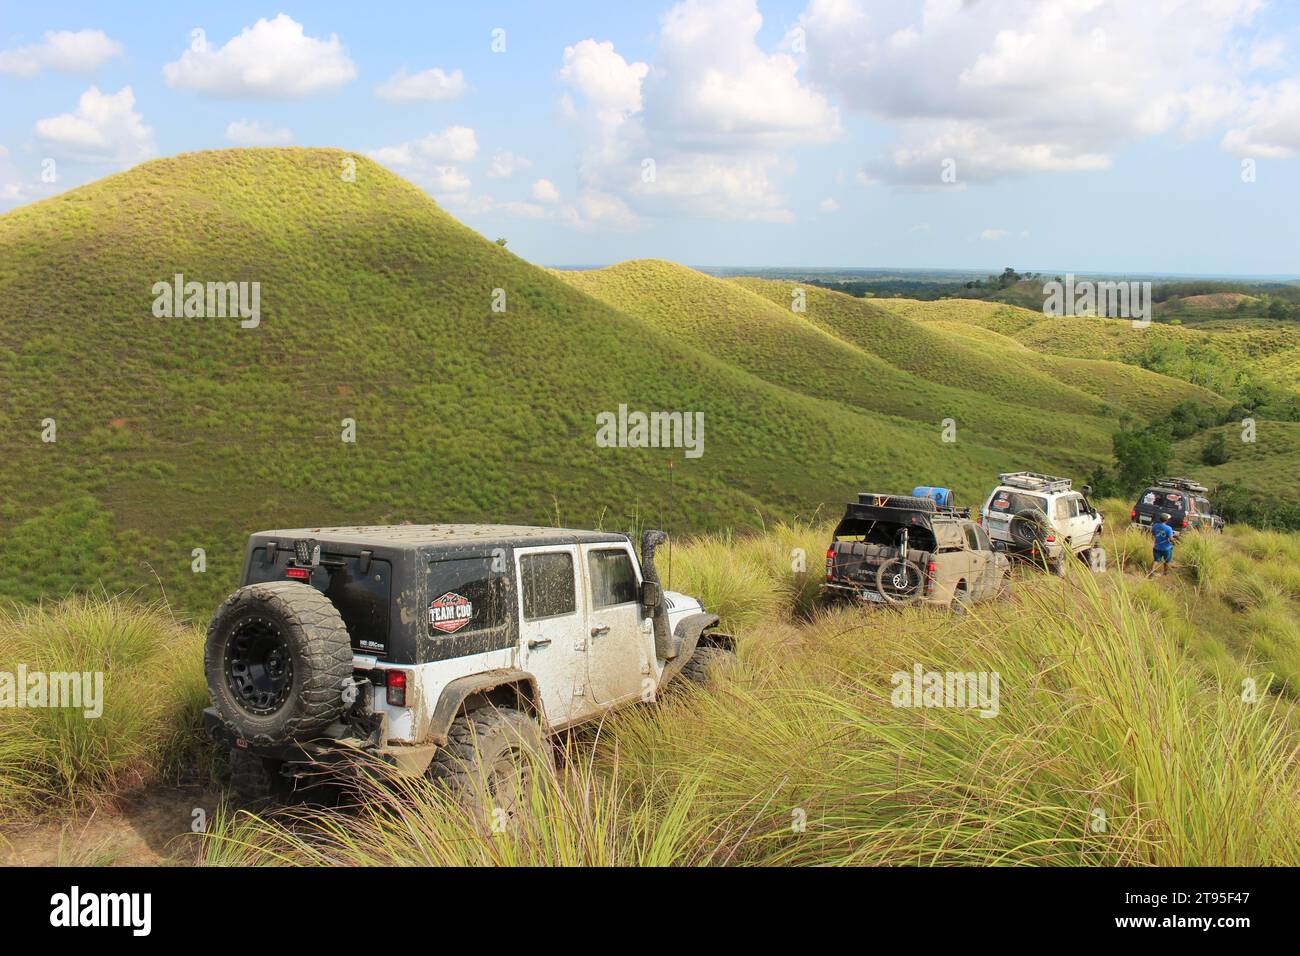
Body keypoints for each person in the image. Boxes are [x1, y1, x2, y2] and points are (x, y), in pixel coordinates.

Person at [1147, 512, 1178, 577]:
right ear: (1166, 520)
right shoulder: (1168, 528)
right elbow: (1171, 539)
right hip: (1166, 548)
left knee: (1156, 560)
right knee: (1167, 561)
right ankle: (1165, 573)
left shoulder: (1155, 526)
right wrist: (1174, 542)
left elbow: (1153, 534)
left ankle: (1152, 572)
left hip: (1156, 547)